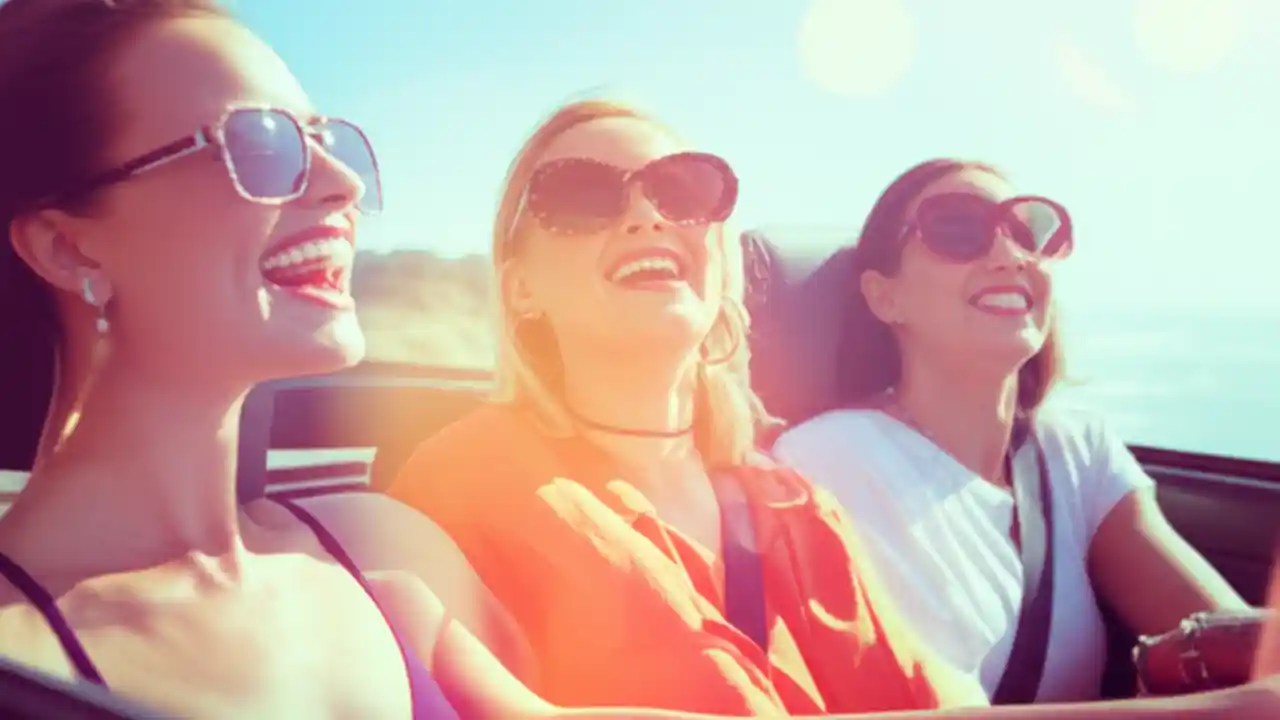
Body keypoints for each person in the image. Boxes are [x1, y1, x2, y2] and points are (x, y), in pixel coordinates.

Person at [771, 158, 1251, 703]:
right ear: (885, 297)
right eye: (956, 229)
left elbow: (1228, 641)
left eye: (1029, 231)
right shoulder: (829, 463)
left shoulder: (1077, 449)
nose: (1009, 255)